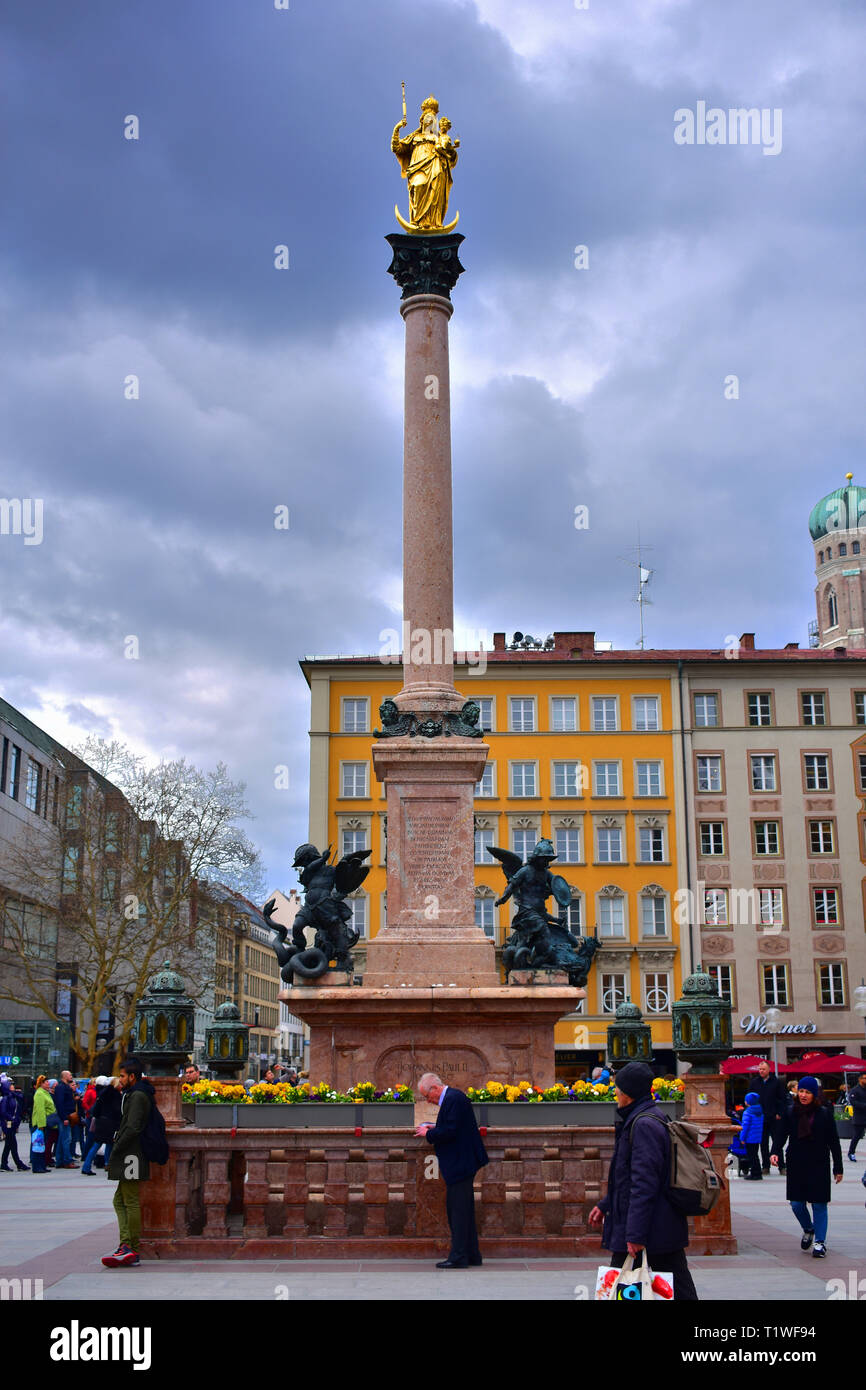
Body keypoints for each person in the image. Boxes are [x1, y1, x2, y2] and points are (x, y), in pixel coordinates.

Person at [588, 1060, 698, 1301]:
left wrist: (635, 1234)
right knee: (670, 1284)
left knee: (641, 1284)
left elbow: (645, 1183)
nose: (614, 1091)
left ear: (628, 1092)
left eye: (617, 1087)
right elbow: (627, 1176)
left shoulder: (644, 1124)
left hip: (650, 1226)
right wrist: (605, 1204)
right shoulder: (642, 1117)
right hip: (654, 1223)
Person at [417, 1071, 488, 1269]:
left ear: (434, 1088)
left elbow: (450, 1131)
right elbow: (451, 1126)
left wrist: (428, 1133)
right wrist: (434, 1127)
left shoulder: (453, 1098)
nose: (428, 1101)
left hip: (461, 1164)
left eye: (426, 1096)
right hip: (462, 1163)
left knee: (457, 1212)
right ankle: (472, 1255)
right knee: (463, 1211)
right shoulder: (453, 1097)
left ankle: (459, 1257)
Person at [772, 1075, 843, 1258]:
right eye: (801, 1091)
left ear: (815, 1094)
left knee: (819, 1204)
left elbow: (834, 1142)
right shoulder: (790, 1112)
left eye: (808, 1092)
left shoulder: (824, 1113)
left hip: (819, 1163)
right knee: (796, 1204)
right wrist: (774, 1151)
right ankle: (808, 1228)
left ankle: (819, 1242)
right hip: (796, 1162)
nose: (803, 1095)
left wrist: (838, 1168)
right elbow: (781, 1134)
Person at [102, 1059, 154, 1268]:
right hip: (129, 1152)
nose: (119, 1079)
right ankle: (127, 1245)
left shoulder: (138, 1095)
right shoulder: (133, 1094)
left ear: (132, 1077)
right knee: (120, 1200)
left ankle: (131, 1247)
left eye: (122, 1076)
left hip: (132, 1153)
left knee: (129, 1200)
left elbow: (132, 1127)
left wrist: (117, 1147)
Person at [81, 1077, 121, 1175]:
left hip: (101, 1121)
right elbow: (118, 1111)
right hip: (110, 1123)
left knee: (97, 1144)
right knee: (109, 1143)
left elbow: (96, 1109)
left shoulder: (103, 1093)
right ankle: (107, 1164)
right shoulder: (116, 1095)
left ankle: (86, 1165)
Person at [754, 1060, 788, 1174]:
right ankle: (765, 1166)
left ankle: (782, 1166)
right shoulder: (755, 1082)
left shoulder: (776, 1082)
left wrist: (780, 1113)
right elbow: (751, 1098)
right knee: (763, 1143)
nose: (761, 1071)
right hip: (760, 1117)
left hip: (774, 1117)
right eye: (759, 1069)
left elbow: (782, 1099)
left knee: (777, 1142)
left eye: (763, 1069)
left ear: (769, 1070)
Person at [0, 1078, 29, 1170]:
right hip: (7, 1123)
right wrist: (11, 1118)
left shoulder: (13, 1097)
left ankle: (4, 1164)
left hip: (12, 1123)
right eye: (10, 1084)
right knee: (12, 1144)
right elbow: (3, 1112)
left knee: (9, 1144)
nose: (12, 1086)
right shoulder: (6, 1098)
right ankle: (18, 1163)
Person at [30, 1076, 56, 1173]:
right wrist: (41, 1125)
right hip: (40, 1123)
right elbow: (40, 1110)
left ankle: (42, 1165)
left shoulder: (45, 1093)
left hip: (46, 1123)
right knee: (38, 1145)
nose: (48, 1084)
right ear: (41, 1083)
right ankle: (37, 1166)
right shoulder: (40, 1093)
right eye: (46, 1082)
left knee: (42, 1145)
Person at [53, 1070, 78, 1168]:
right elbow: (59, 1103)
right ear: (64, 1076)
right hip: (65, 1116)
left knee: (62, 1138)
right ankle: (67, 1160)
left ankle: (59, 1160)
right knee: (66, 1139)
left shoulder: (65, 1087)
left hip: (67, 1115)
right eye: (70, 1075)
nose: (71, 1076)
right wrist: (64, 1117)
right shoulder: (61, 1087)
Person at [738, 1092, 765, 1179]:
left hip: (749, 1138)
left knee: (751, 1156)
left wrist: (742, 1138)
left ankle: (755, 1173)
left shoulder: (748, 1112)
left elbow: (745, 1126)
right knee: (755, 1155)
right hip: (756, 1137)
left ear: (748, 1102)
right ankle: (757, 1172)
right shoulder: (760, 1111)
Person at [846, 1072, 866, 1160]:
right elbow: (853, 1102)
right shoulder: (855, 1090)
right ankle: (851, 1152)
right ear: (860, 1079)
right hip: (859, 1117)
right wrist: (864, 1105)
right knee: (857, 1136)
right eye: (864, 1078)